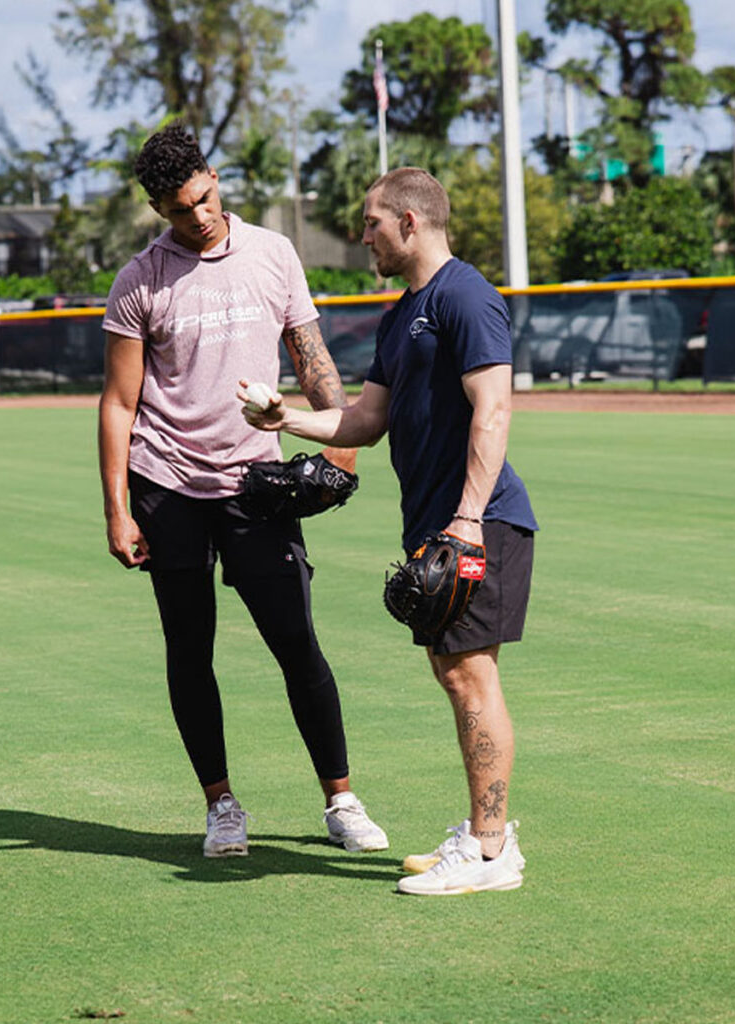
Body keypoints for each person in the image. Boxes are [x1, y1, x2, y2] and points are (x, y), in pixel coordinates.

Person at [240, 167, 537, 895]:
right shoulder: (403, 313)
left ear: (411, 222)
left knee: (472, 675)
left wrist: (466, 519)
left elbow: (493, 411)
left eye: (372, 221)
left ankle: (493, 851)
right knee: (452, 671)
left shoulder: (466, 296)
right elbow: (365, 421)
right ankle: (480, 832)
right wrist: (286, 419)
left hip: (482, 519)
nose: (362, 233)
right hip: (440, 525)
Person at [98, 123, 388, 859]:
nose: (193, 217)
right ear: (157, 209)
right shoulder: (140, 279)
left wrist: (343, 443)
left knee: (297, 642)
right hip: (166, 483)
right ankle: (221, 805)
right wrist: (117, 509)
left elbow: (311, 355)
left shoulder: (274, 253)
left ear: (214, 178)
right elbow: (118, 403)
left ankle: (341, 799)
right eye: (174, 209)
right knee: (189, 651)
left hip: (256, 483)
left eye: (198, 199)